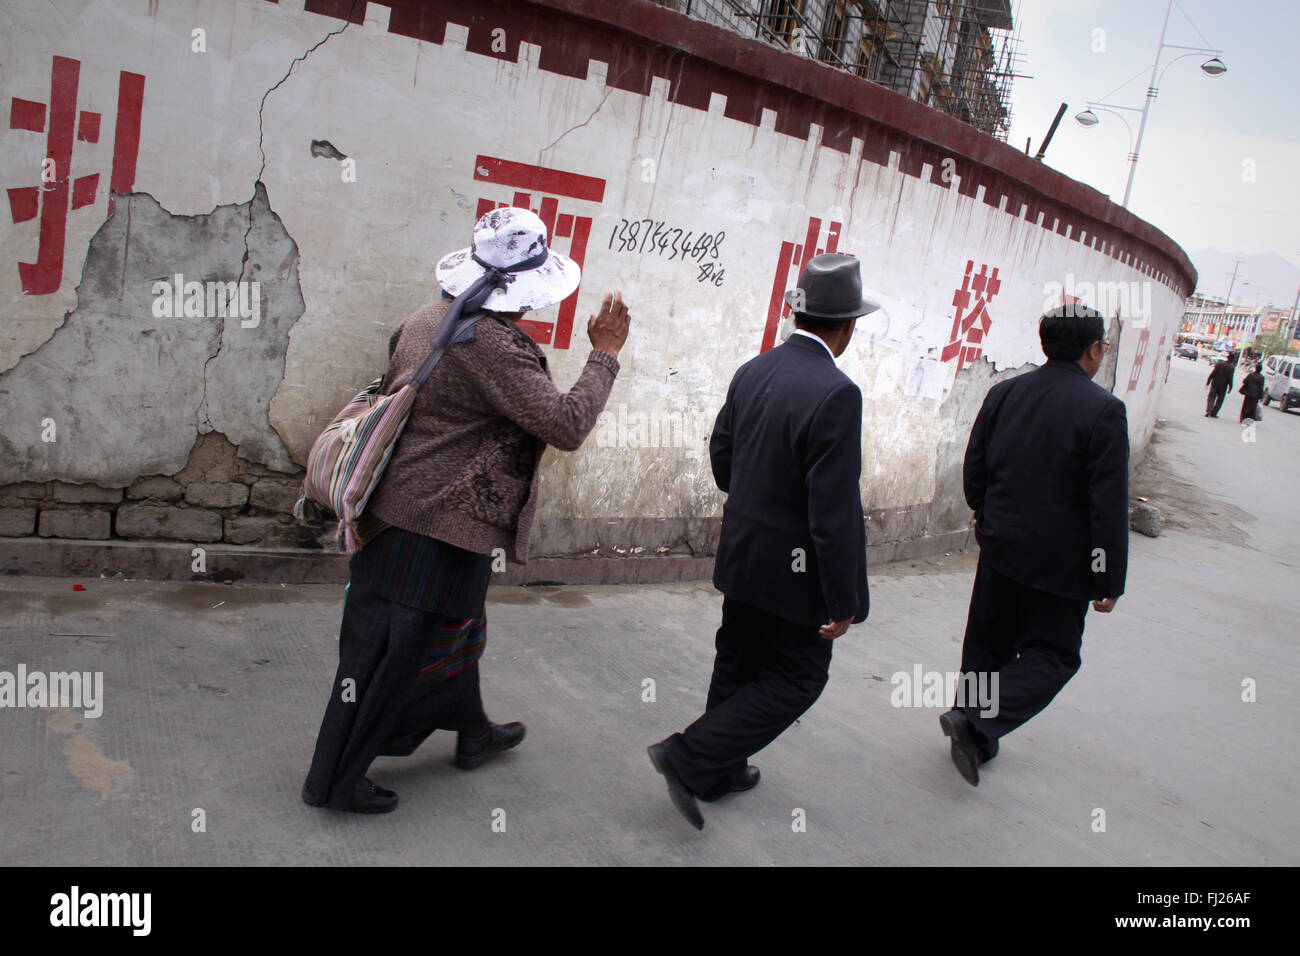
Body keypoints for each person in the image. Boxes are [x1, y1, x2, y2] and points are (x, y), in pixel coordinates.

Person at [302, 208, 630, 813]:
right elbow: (565, 424)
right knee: (393, 655)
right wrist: (604, 355)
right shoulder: (494, 346)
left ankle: (471, 731)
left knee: (453, 631)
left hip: (394, 513)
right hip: (436, 527)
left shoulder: (423, 319)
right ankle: (337, 781)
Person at [647, 253, 874, 829]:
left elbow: (722, 456)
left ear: (801, 313)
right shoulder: (837, 393)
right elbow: (834, 509)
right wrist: (844, 598)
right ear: (847, 326)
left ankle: (721, 768)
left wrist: (753, 500)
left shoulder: (753, 370)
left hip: (745, 552)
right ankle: (691, 754)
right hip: (797, 573)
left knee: (739, 659)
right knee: (799, 676)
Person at [941, 304, 1128, 786]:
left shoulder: (1005, 392)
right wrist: (1107, 576)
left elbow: (975, 466)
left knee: (987, 644)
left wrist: (987, 516)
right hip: (1060, 564)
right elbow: (1106, 504)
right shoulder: (1104, 410)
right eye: (1102, 345)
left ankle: (974, 732)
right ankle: (976, 722)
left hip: (1001, 547)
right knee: (1054, 656)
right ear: (1093, 350)